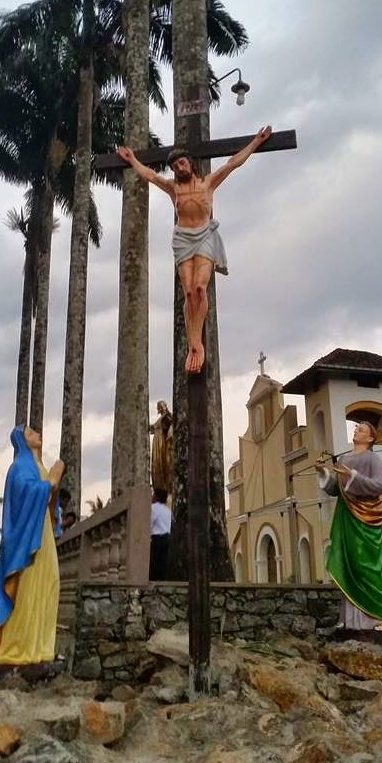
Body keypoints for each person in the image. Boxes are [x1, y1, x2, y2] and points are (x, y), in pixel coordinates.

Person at [117, 126, 272, 373]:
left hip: (204, 237)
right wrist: (133, 159)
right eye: (175, 166)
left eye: (182, 163)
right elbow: (150, 176)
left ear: (189, 163)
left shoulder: (207, 184)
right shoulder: (173, 188)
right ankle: (193, 344)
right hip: (182, 239)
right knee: (188, 294)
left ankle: (196, 344)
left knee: (200, 288)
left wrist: (255, 141)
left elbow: (232, 163)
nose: (179, 168)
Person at [0, 425, 64, 669]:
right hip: (27, 541)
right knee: (28, 589)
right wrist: (52, 480)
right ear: (23, 441)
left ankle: (42, 645)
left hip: (42, 535)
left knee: (50, 583)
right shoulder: (19, 468)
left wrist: (53, 483)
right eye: (31, 432)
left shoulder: (38, 466)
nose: (37, 434)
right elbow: (27, 495)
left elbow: (49, 502)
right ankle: (21, 644)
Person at [316, 421, 382, 632]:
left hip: (366, 520)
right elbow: (337, 489)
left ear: (370, 438)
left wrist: (352, 476)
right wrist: (324, 473)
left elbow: (379, 485)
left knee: (367, 565)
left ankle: (379, 615)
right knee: (348, 562)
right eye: (356, 428)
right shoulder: (344, 459)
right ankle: (350, 620)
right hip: (346, 516)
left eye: (361, 429)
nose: (356, 430)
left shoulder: (372, 459)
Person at [150, 400, 173, 494]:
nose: (160, 408)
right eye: (159, 406)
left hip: (162, 441)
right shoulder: (160, 419)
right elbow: (153, 427)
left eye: (161, 406)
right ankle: (159, 485)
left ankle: (165, 485)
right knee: (156, 463)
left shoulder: (167, 416)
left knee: (163, 462)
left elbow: (171, 425)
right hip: (157, 441)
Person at [149, 488, 172, 581]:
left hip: (157, 538)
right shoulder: (168, 511)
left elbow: (149, 523)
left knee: (155, 562)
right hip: (167, 538)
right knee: (164, 563)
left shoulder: (153, 508)